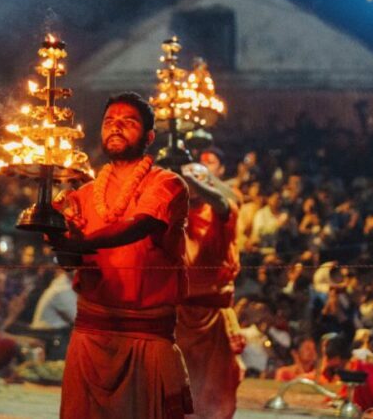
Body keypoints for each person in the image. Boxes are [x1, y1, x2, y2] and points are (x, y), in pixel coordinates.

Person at [48, 92, 192, 418]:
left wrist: (79, 244)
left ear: (149, 137)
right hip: (92, 330)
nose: (116, 127)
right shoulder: (82, 194)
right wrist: (57, 234)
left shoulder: (168, 184)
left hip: (147, 334)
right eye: (110, 122)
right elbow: (70, 263)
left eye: (128, 122)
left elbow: (138, 226)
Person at [175, 162, 244, 419]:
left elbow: (224, 205)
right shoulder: (175, 212)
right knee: (178, 384)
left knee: (215, 389)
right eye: (187, 184)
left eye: (196, 185)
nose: (191, 190)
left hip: (213, 316)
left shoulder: (221, 212)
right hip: (180, 313)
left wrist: (202, 184)